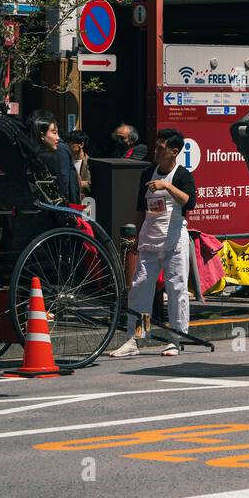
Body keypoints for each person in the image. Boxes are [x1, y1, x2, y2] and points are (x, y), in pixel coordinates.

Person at [109, 129, 197, 357]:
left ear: (174, 152)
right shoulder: (148, 172)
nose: (156, 151)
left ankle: (177, 339)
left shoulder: (182, 175)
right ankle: (137, 338)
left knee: (176, 289)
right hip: (150, 238)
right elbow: (140, 208)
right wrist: (137, 236)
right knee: (141, 289)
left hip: (174, 240)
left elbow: (190, 201)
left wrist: (166, 186)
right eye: (156, 147)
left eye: (161, 148)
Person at [27, 109, 81, 204]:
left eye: (56, 132)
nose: (58, 137)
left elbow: (64, 181)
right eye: (54, 132)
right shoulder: (36, 151)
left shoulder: (60, 149)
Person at [66, 129, 92, 198]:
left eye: (71, 143)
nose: (68, 146)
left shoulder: (91, 163)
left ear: (81, 144)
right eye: (67, 143)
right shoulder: (66, 161)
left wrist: (81, 184)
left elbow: (95, 185)